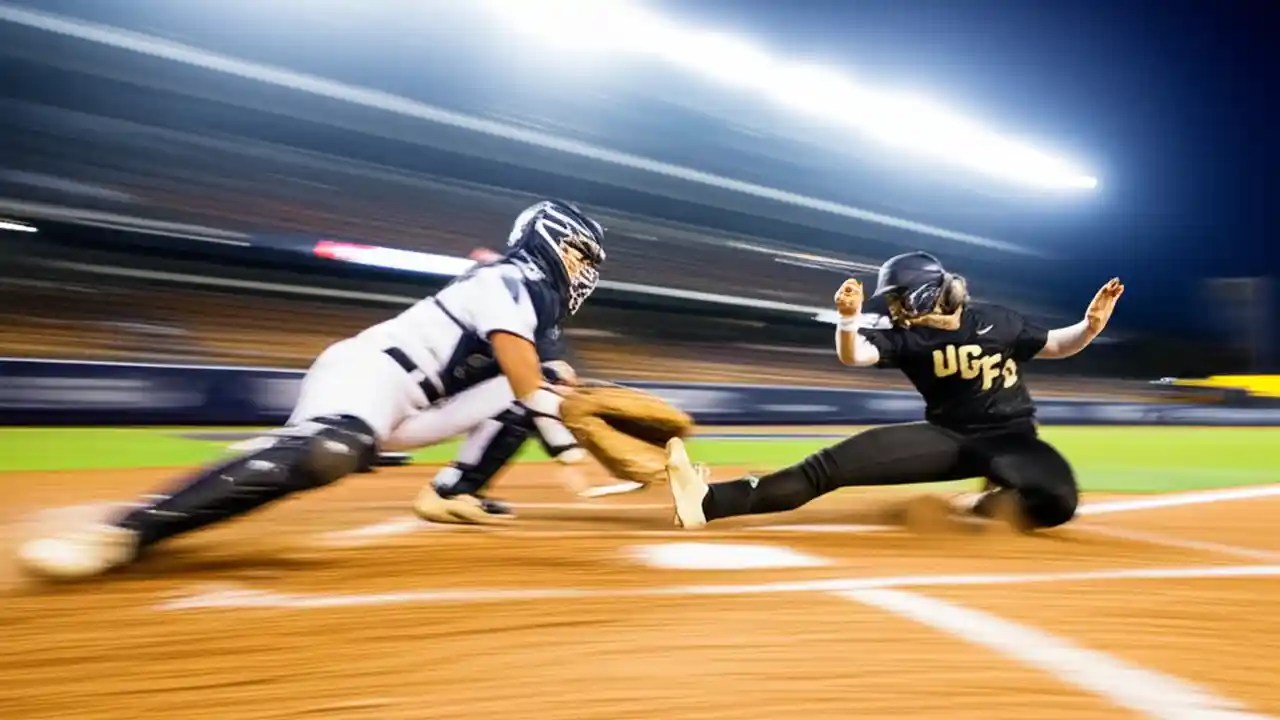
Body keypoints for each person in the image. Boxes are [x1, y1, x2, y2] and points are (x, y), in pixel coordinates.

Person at [18, 199, 607, 578]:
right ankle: (125, 532)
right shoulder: (506, 278)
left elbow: (544, 383)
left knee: (552, 384)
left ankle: (454, 491)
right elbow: (523, 371)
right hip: (376, 374)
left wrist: (576, 429)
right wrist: (574, 445)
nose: (585, 273)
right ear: (548, 241)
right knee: (329, 454)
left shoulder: (537, 311)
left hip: (420, 409)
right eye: (580, 256)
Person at [664, 250, 1124, 531]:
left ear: (924, 294)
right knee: (828, 468)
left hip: (1012, 439)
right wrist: (848, 319)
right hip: (949, 440)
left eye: (900, 298)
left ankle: (987, 504)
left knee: (1059, 502)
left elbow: (1058, 345)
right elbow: (854, 355)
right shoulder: (909, 336)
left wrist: (1089, 326)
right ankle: (708, 502)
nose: (896, 308)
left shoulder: (996, 320)